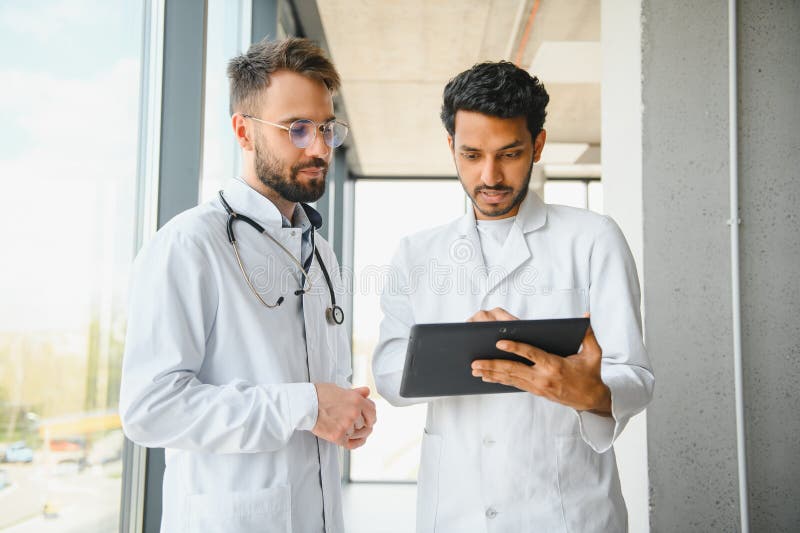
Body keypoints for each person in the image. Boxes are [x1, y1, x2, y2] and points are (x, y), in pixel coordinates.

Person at [372, 61, 654, 532]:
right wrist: (457, 348)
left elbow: (635, 374)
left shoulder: (593, 238)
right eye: (471, 155)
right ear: (450, 147)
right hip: (456, 510)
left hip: (567, 511)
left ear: (537, 145)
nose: (490, 176)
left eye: (510, 153)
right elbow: (386, 373)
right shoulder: (417, 252)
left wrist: (592, 393)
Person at [119, 37, 376, 533]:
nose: (319, 147)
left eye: (326, 128)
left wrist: (345, 410)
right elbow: (150, 409)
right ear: (243, 131)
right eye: (297, 129)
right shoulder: (190, 244)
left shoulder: (319, 251)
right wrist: (306, 405)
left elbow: (319, 385)